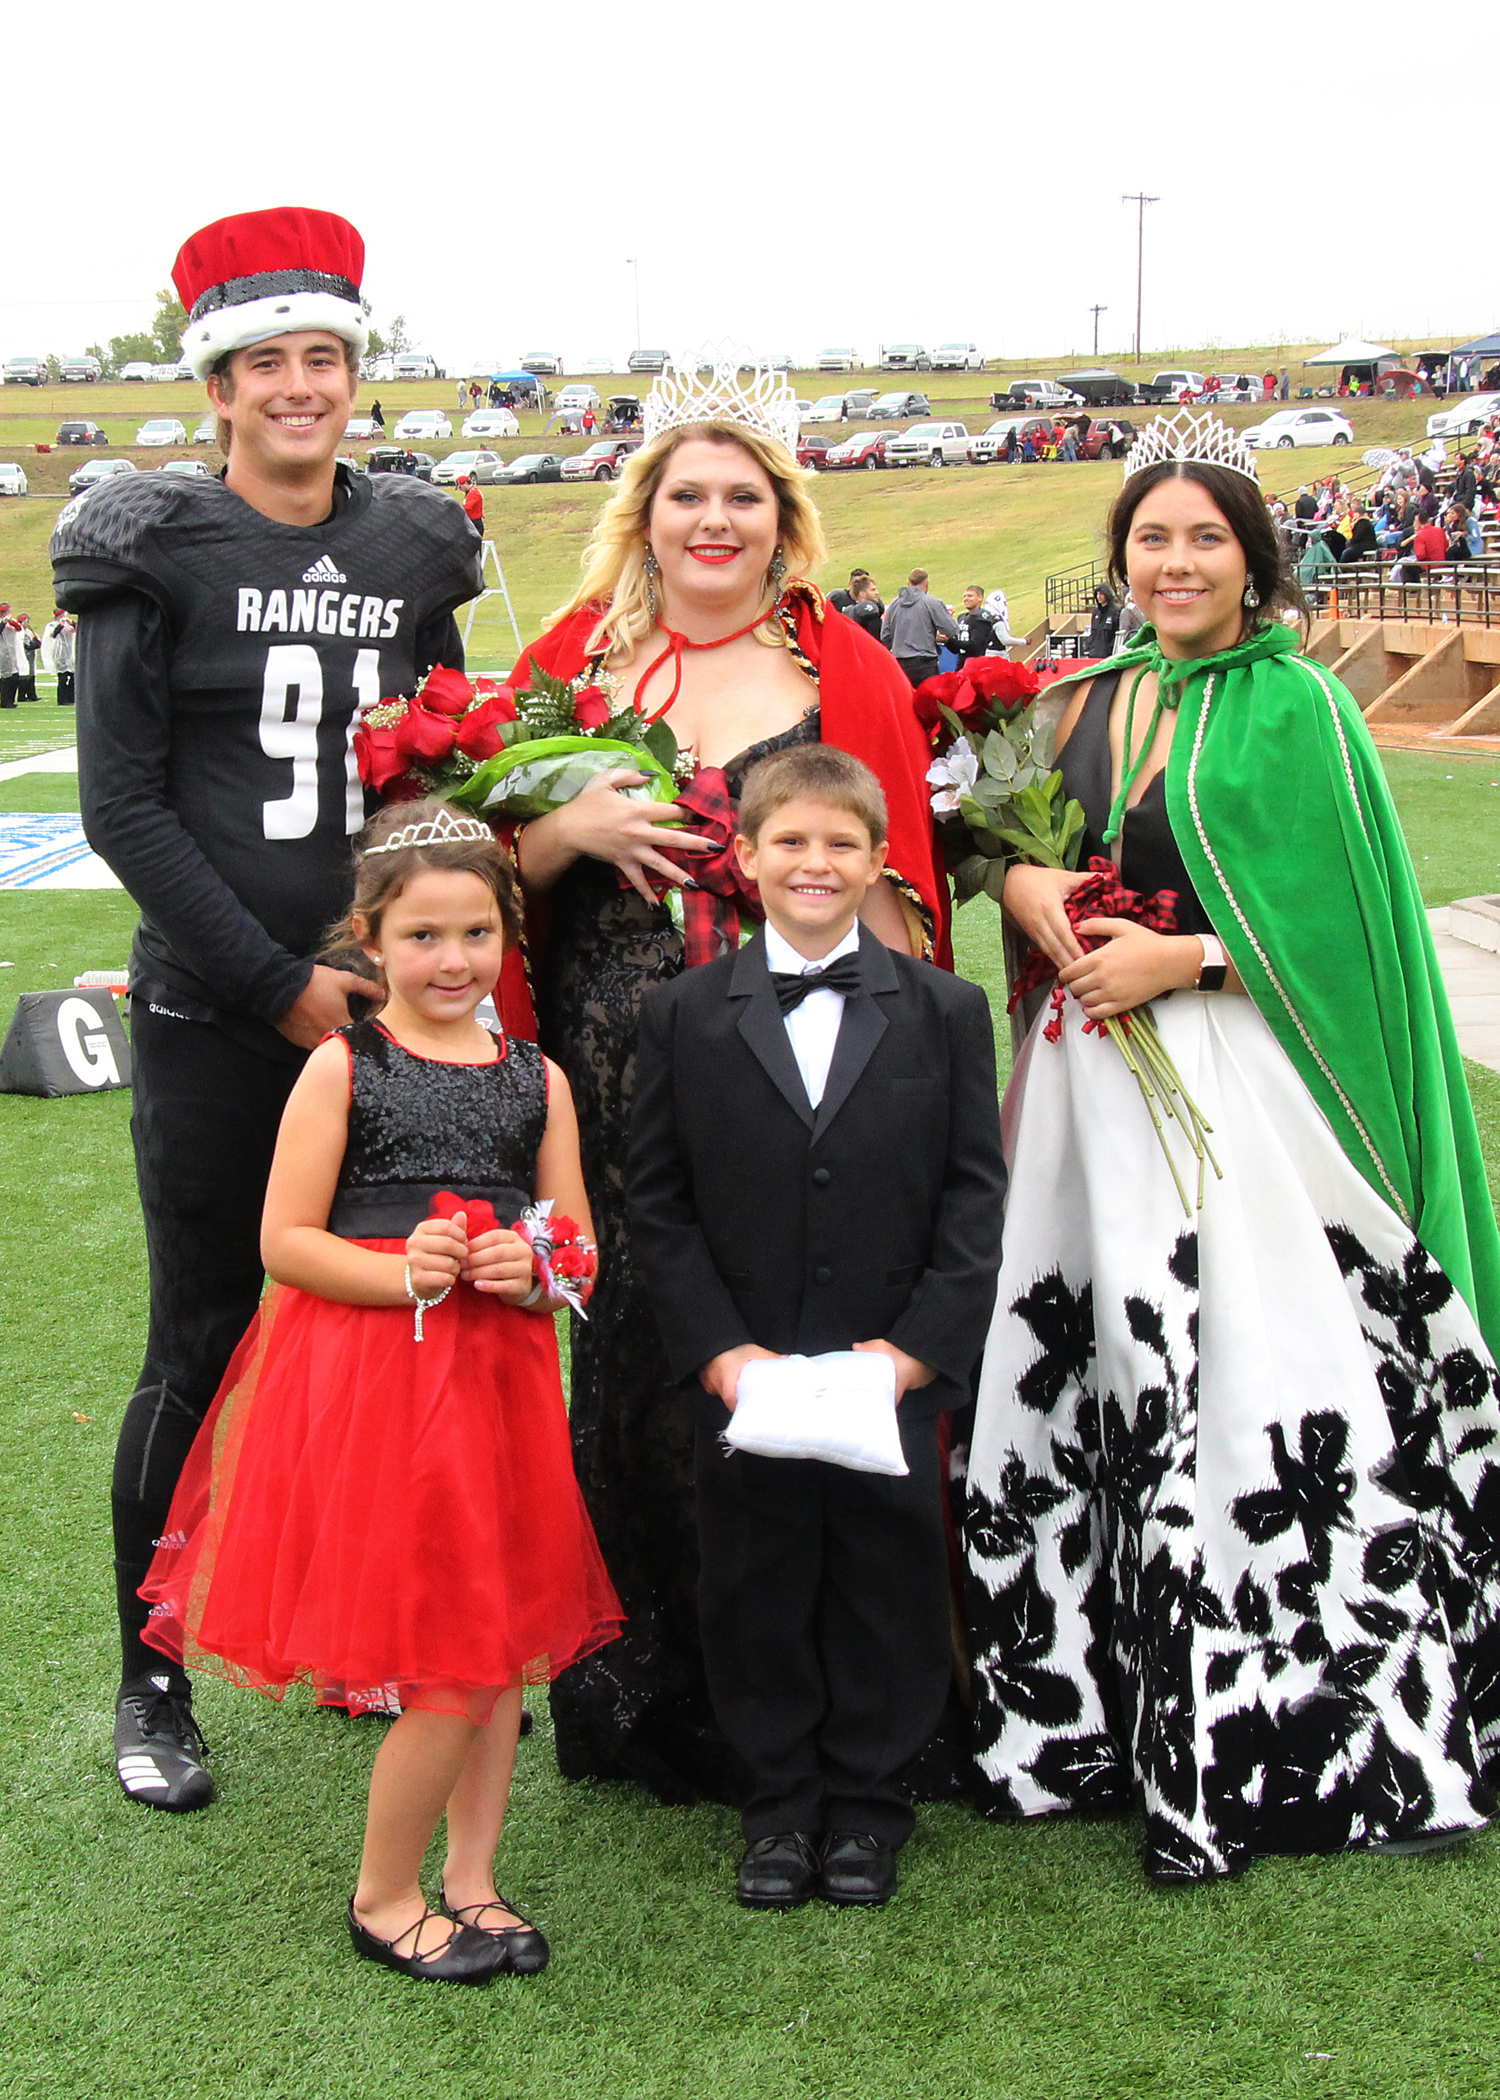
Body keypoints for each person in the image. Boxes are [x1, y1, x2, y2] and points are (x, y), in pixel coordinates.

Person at [965, 419, 1500, 1883]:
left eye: (1206, 539)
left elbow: (1349, 933)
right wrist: (1028, 889)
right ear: (1122, 558)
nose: (1177, 562)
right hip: (1085, 1090)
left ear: (1257, 564)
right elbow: (975, 834)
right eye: (1152, 538)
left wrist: (1184, 961)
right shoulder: (1073, 698)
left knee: (1248, 1367)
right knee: (1097, 1365)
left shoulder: (1300, 712)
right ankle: (1084, 1707)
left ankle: (1282, 1706)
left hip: (1233, 1083)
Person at [50, 206, 482, 1813]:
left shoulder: (410, 542)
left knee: (390, 1324)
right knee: (203, 1338)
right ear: (217, 385)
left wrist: (422, 951)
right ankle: (152, 1674)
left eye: (324, 357)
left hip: (388, 1006)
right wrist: (281, 984)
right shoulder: (149, 541)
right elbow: (125, 808)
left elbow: (440, 754)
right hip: (226, 1012)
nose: (300, 386)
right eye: (264, 362)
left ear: (353, 374)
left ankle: (356, 1635)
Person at [500, 379, 951, 1806]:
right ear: (645, 513)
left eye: (742, 496)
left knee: (793, 1318)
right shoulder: (570, 664)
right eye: (687, 494)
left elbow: (896, 892)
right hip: (612, 1048)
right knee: (639, 1352)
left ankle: (826, 1686)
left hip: (791, 1062)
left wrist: (911, 1090)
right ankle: (661, 1687)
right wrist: (564, 827)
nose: (714, 520)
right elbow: (469, 882)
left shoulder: (845, 673)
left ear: (784, 520)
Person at [138, 801, 621, 1979]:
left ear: (509, 935)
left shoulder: (537, 1077)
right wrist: (397, 1266)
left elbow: (578, 1249)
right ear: (370, 939)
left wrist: (533, 1269)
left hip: (500, 1384)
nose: (452, 962)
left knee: (500, 1642)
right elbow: (285, 1241)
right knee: (454, 1653)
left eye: (475, 935)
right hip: (380, 1384)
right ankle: (384, 1893)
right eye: (421, 938)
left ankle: (472, 1879)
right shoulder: (343, 1067)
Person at [628, 745, 1005, 1908]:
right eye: (788, 840)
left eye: (842, 843)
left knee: (884, 1577)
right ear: (742, 858)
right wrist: (722, 1352)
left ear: (880, 860)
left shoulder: (946, 1009)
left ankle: (870, 1804)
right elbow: (655, 1197)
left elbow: (974, 1193)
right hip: (748, 1368)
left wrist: (914, 1349)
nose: (815, 862)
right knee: (756, 1581)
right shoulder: (682, 1014)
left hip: (888, 1368)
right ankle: (779, 1804)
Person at [881, 568, 960, 687]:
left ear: (909, 583)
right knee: (928, 702)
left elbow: (885, 635)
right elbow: (952, 629)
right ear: (927, 583)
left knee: (905, 702)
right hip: (925, 663)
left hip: (900, 663)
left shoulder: (894, 604)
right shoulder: (931, 602)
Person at [955, 583, 997, 659]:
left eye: (970, 596)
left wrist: (950, 642)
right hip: (962, 661)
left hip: (976, 663)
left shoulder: (981, 617)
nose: (966, 598)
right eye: (965, 596)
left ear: (980, 597)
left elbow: (975, 646)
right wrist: (947, 641)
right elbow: (955, 649)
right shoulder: (961, 617)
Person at [43, 608, 76, 704]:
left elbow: (77, 628)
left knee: (72, 678)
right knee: (63, 678)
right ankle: (62, 699)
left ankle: (71, 698)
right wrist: (60, 624)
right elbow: (53, 634)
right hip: (60, 655)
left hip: (70, 654)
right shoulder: (52, 625)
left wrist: (70, 622)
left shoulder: (69, 625)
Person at [843, 573, 884, 644]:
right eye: (873, 590)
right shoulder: (868, 610)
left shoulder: (848, 610)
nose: (877, 592)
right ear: (863, 594)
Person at [1083, 582, 1118, 657]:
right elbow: (1093, 633)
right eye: (1097, 594)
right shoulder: (1096, 612)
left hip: (1109, 654)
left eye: (1101, 594)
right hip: (1094, 653)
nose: (1099, 597)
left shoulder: (1115, 611)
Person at [0, 606, 23, 708]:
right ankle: (5, 701)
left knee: (14, 677)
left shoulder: (10, 622)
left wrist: (11, 622)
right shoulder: (2, 623)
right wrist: (4, 622)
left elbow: (19, 628)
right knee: (6, 677)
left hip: (12, 652)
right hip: (2, 652)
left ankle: (11, 699)